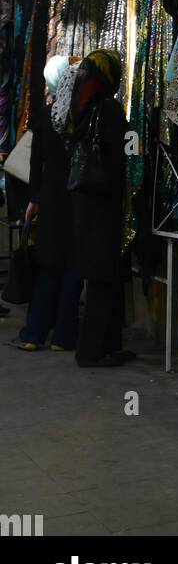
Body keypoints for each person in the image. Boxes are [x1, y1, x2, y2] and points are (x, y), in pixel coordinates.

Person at [53, 49, 135, 369]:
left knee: (103, 279)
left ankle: (108, 347)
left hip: (85, 204)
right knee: (103, 280)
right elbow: (128, 146)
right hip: (102, 205)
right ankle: (91, 352)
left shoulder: (79, 111)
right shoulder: (108, 110)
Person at [14, 55, 82, 351]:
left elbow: (35, 158)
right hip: (77, 198)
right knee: (71, 267)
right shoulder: (81, 116)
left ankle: (34, 333)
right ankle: (63, 337)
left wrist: (33, 199)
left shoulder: (45, 115)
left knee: (48, 265)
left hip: (51, 198)